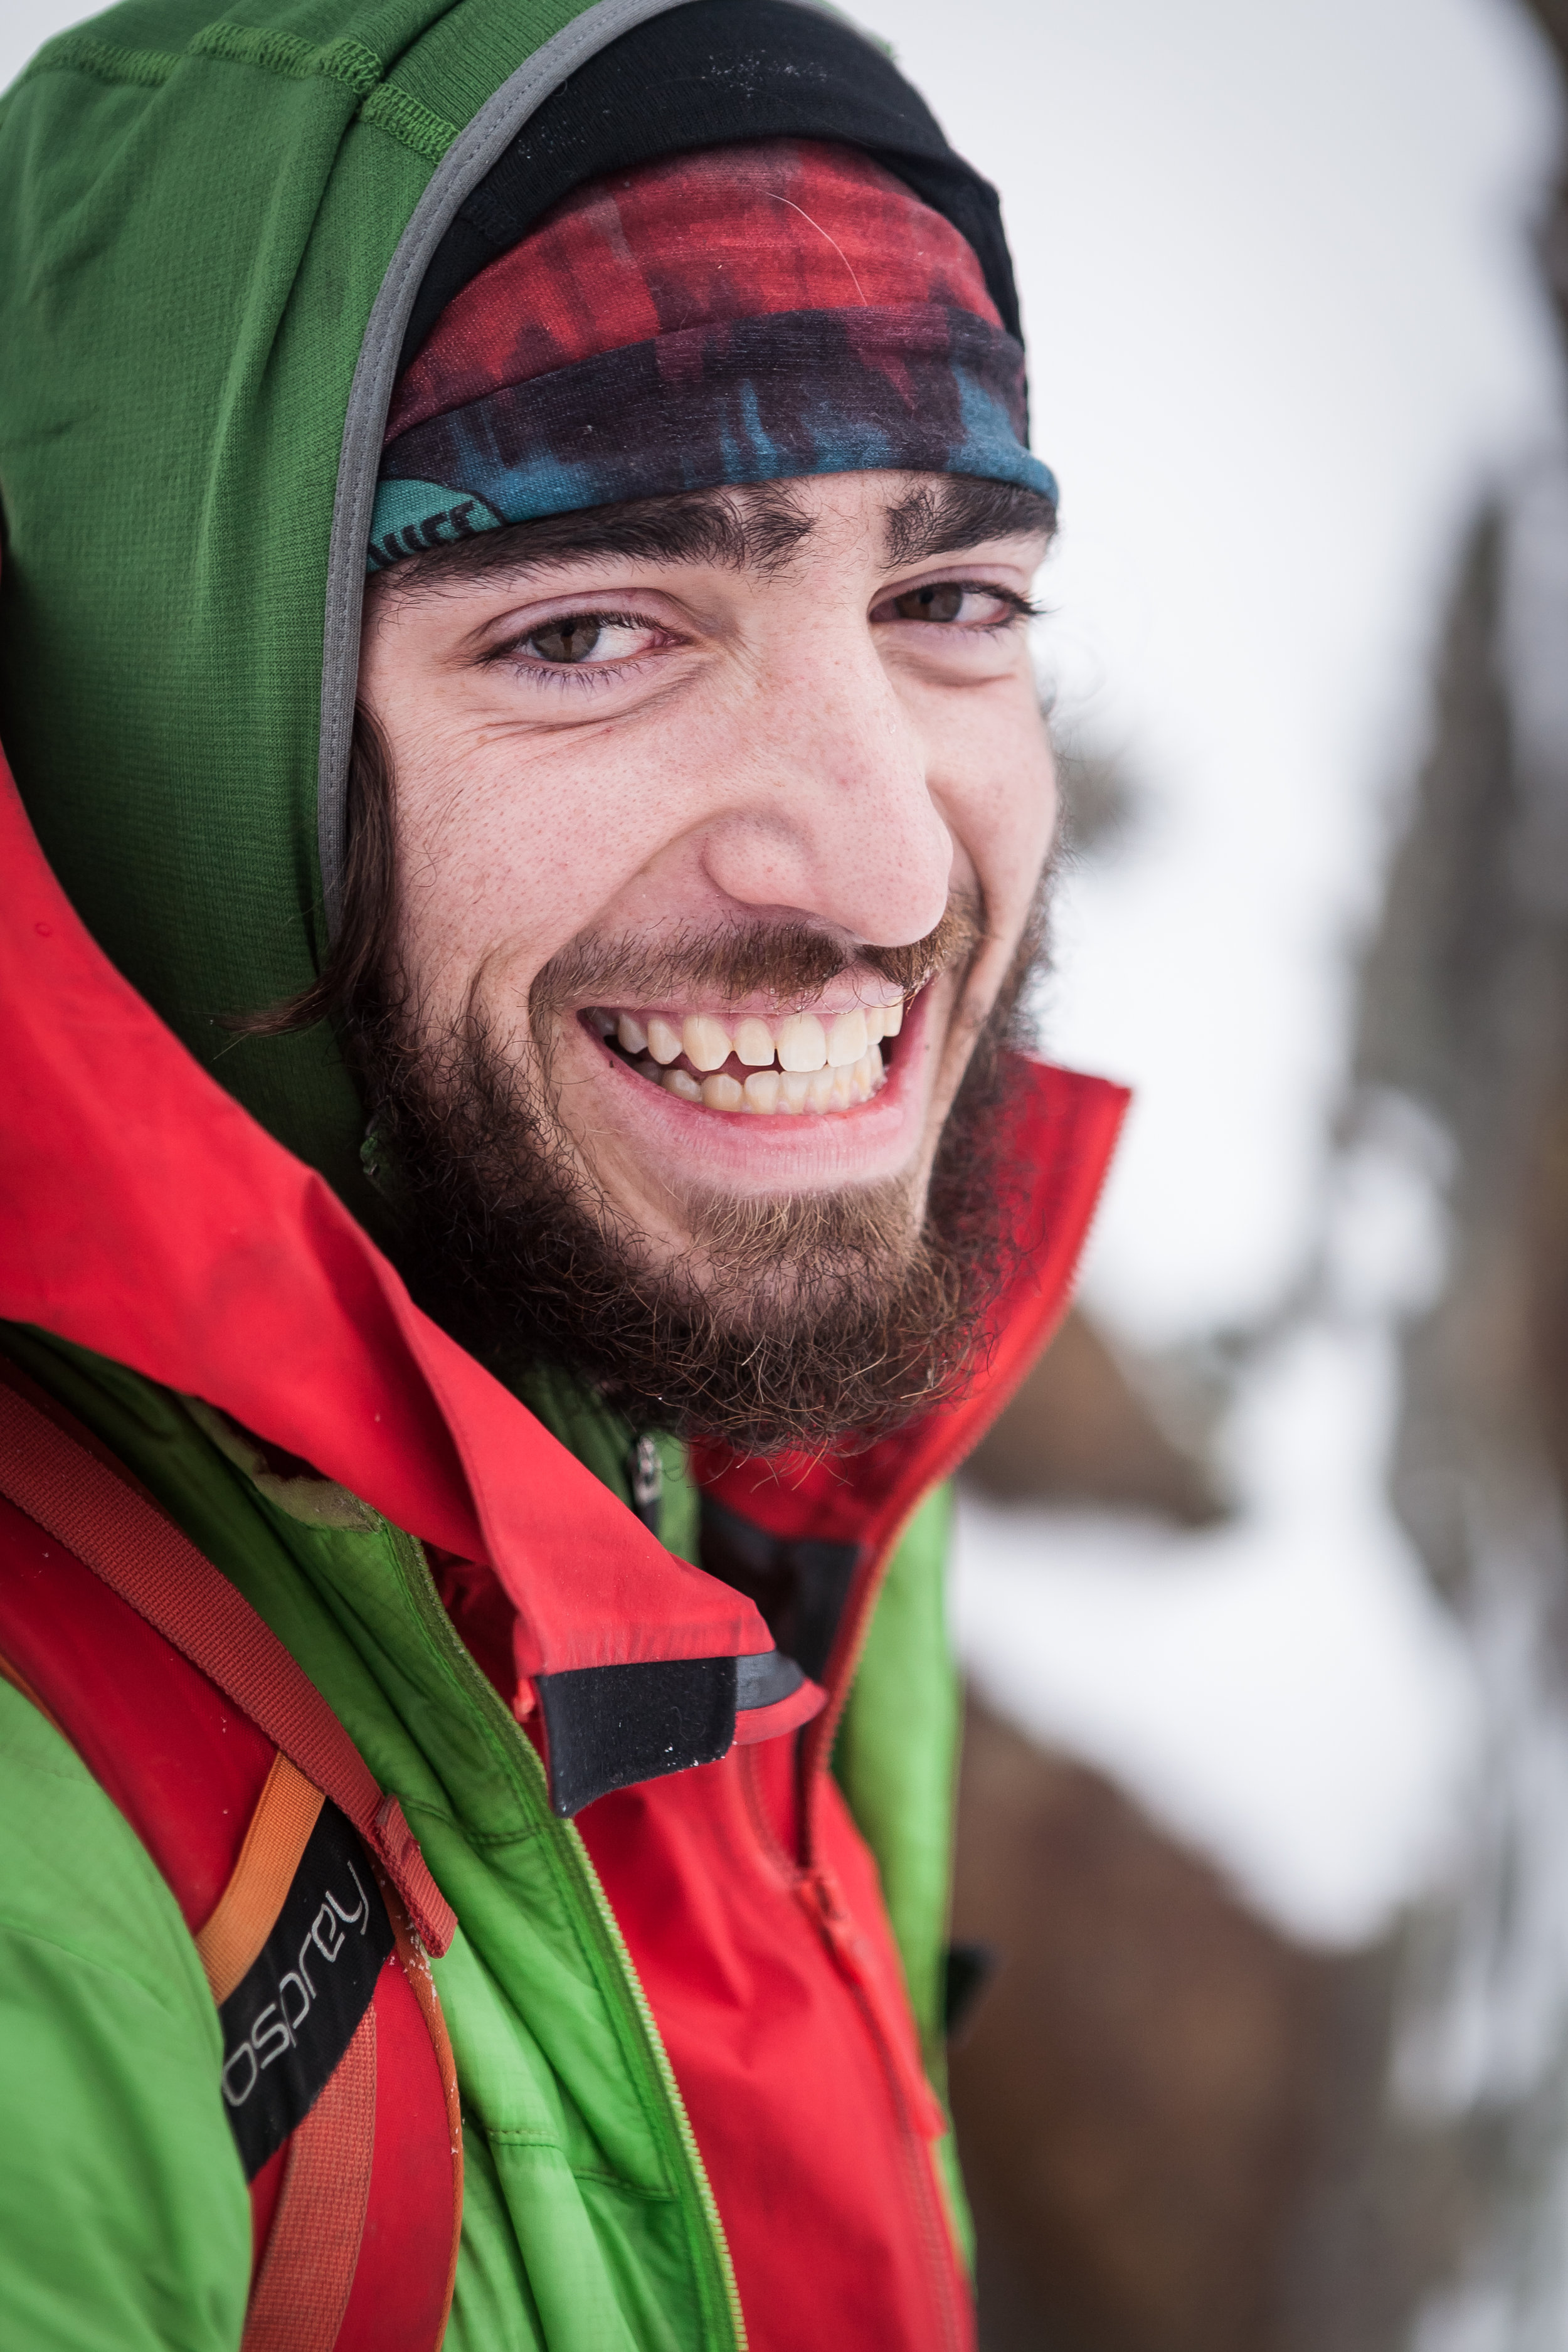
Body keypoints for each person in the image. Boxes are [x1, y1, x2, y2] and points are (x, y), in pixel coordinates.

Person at [0, 2, 1126, 2346]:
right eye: (589, 629)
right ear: (172, 731)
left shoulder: (722, 1386)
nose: (884, 867)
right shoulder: (47, 1882)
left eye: (951, 606)